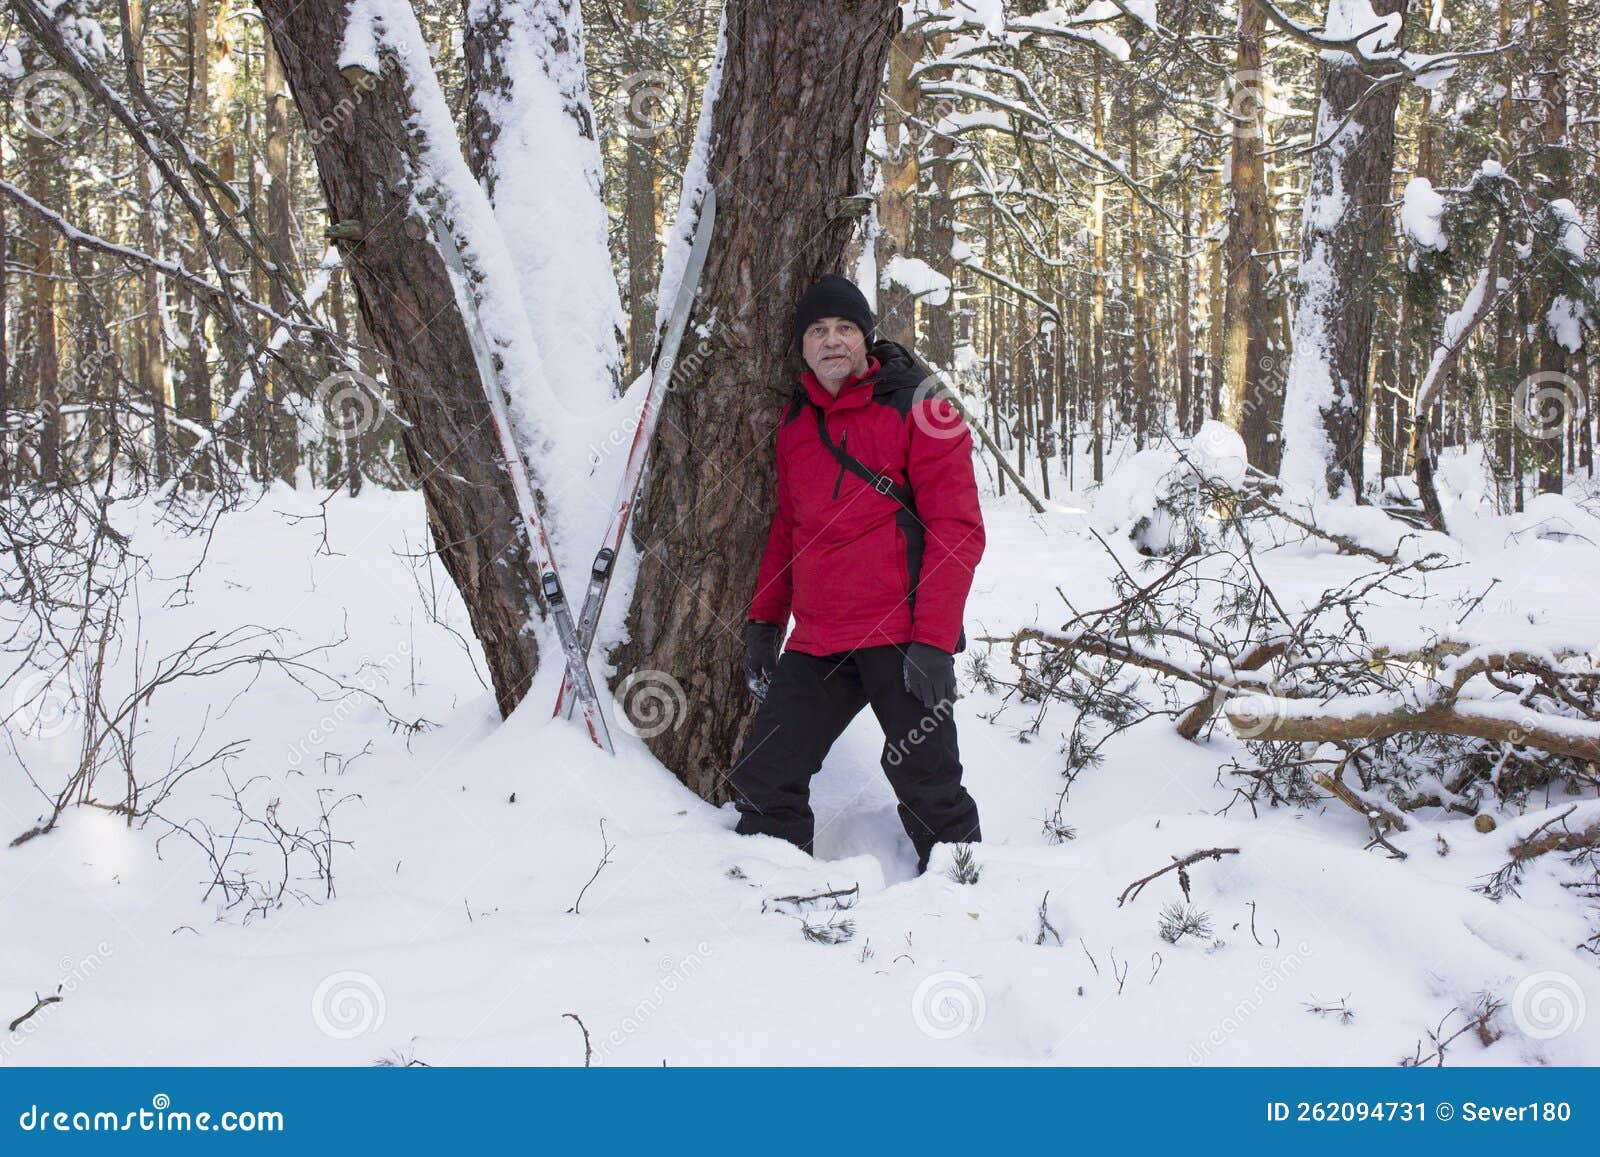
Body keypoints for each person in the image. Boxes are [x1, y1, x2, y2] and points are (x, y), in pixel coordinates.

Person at [728, 274, 985, 873]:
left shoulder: (921, 408)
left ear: (866, 337)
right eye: (817, 330)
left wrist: (934, 642)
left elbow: (958, 530)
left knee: (930, 788)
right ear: (801, 345)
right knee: (765, 776)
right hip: (821, 640)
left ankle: (965, 902)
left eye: (845, 327)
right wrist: (765, 623)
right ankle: (776, 891)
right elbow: (788, 529)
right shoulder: (797, 426)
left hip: (902, 637)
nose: (832, 341)